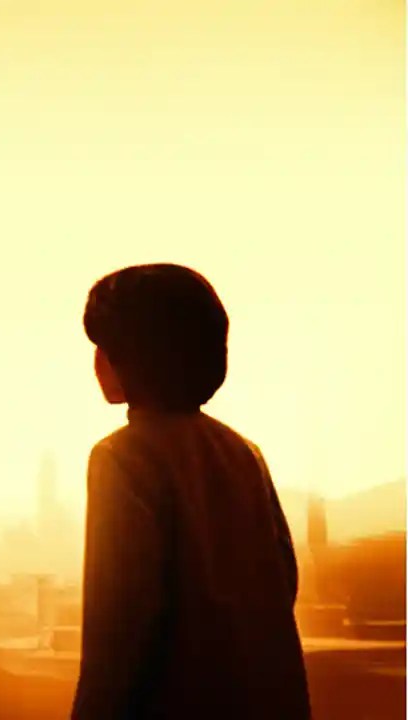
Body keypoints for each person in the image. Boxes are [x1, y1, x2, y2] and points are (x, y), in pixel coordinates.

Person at [72, 263, 310, 719]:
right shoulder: (243, 451)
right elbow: (284, 576)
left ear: (131, 358)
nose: (96, 360)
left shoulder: (122, 456)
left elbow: (119, 620)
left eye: (104, 346)